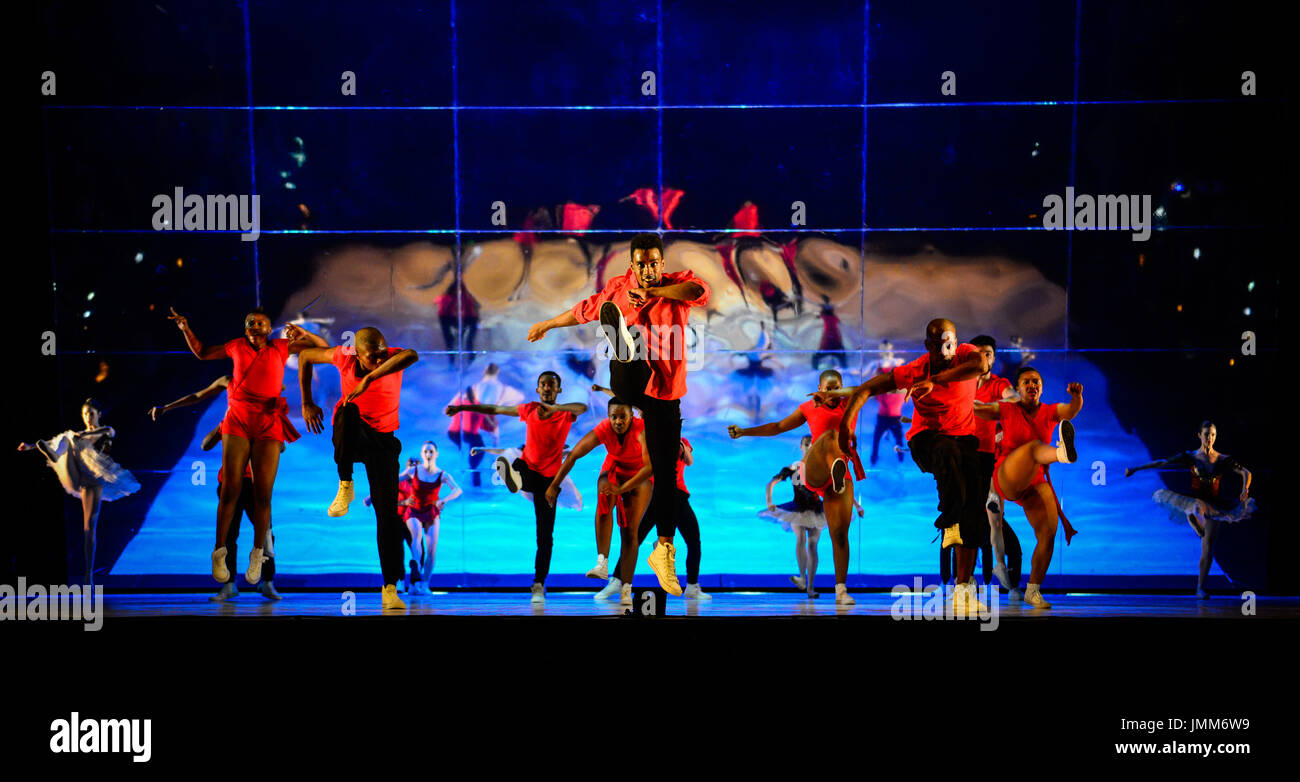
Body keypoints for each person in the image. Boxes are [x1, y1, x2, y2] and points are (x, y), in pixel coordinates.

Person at [528, 232, 710, 596]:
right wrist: (547, 324)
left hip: (666, 393)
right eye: (640, 264)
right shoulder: (616, 289)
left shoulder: (678, 284)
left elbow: (696, 293)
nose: (646, 270)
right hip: (630, 381)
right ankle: (622, 345)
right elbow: (581, 312)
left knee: (665, 476)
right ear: (632, 265)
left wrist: (654, 293)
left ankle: (664, 552)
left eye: (653, 263)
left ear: (662, 263)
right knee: (626, 362)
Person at [827, 319, 988, 615]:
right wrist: (846, 425)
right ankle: (949, 520)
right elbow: (865, 390)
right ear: (927, 346)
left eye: (949, 343)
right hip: (927, 441)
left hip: (965, 440)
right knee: (948, 455)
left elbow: (978, 366)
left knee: (975, 513)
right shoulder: (914, 370)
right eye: (938, 345)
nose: (946, 350)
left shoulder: (966, 355)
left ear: (957, 342)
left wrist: (936, 382)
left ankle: (962, 590)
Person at [168, 307, 322, 587]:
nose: (254, 325)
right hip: (238, 419)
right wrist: (185, 330)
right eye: (250, 321)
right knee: (229, 488)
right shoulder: (236, 346)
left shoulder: (280, 347)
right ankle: (219, 552)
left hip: (267, 421)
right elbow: (202, 353)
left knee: (264, 494)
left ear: (268, 328)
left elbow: (321, 347)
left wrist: (305, 332)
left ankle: (258, 554)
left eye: (261, 322)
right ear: (246, 327)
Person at [297, 326, 420, 611]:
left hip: (383, 443)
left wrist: (371, 378)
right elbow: (305, 356)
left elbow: (412, 354)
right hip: (352, 436)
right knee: (348, 411)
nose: (378, 360)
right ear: (357, 352)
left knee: (388, 516)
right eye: (372, 357)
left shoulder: (394, 357)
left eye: (381, 354)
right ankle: (346, 485)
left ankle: (390, 588)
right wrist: (306, 402)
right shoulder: (344, 356)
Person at [445, 371, 587, 603]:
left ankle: (539, 584)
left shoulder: (564, 414)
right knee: (515, 457)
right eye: (543, 384)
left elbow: (581, 408)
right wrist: (462, 410)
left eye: (552, 385)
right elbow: (495, 410)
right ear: (537, 389)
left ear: (558, 390)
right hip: (527, 469)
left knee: (545, 536)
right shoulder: (529, 409)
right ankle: (513, 477)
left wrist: (554, 409)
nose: (547, 388)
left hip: (549, 483)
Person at [729, 369, 865, 606]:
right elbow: (778, 426)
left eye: (838, 387)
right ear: (819, 388)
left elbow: (863, 391)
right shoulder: (809, 407)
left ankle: (841, 590)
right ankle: (835, 466)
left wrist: (838, 394)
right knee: (831, 435)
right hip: (814, 470)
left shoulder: (849, 403)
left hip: (839, 480)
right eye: (828, 388)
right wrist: (744, 431)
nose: (834, 392)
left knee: (840, 534)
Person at [150, 375, 286, 600]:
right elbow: (205, 444)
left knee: (266, 534)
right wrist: (224, 424)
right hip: (229, 483)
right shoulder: (230, 418)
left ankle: (267, 582)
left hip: (255, 485)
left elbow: (280, 447)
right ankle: (229, 584)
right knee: (228, 535)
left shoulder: (264, 419)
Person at [974, 368, 1082, 608]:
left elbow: (1070, 411)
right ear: (1018, 389)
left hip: (1034, 480)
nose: (1032, 385)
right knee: (1034, 448)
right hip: (1006, 477)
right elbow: (979, 409)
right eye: (1026, 382)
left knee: (1048, 532)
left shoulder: (1049, 411)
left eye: (1036, 382)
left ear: (1041, 388)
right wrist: (955, 398)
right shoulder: (1007, 409)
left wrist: (1076, 397)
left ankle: (1033, 590)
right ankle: (1060, 454)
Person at [18, 398, 139, 586]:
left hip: (94, 481)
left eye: (91, 414)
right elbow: (53, 439)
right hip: (75, 476)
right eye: (84, 414)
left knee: (89, 528)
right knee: (65, 438)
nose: (87, 418)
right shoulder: (77, 434)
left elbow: (107, 432)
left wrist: (82, 436)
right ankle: (55, 454)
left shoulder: (105, 430)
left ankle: (88, 574)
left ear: (98, 414)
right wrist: (31, 446)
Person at [1125, 421, 1254, 598]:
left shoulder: (1223, 459)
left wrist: (1245, 489)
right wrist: (1136, 468)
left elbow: (1246, 472)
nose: (1210, 438)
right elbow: (1164, 463)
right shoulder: (1191, 456)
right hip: (1195, 498)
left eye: (1213, 435)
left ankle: (1200, 588)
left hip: (1216, 504)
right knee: (1197, 506)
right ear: (1199, 436)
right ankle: (1194, 520)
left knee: (1208, 548)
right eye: (1207, 434)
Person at [546, 398, 653, 607]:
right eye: (614, 416)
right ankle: (602, 562)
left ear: (632, 417)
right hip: (614, 468)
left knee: (630, 533)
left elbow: (649, 467)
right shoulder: (605, 428)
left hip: (639, 474)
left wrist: (622, 489)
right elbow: (573, 455)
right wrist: (554, 485)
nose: (618, 421)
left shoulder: (641, 430)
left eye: (623, 417)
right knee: (604, 492)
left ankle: (626, 588)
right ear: (608, 417)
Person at [758, 434, 862, 599]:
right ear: (801, 446)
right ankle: (802, 578)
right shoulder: (794, 467)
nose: (809, 447)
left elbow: (839, 484)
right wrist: (769, 501)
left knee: (813, 545)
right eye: (806, 444)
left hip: (816, 510)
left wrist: (856, 506)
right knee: (800, 539)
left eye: (812, 445)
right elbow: (771, 483)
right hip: (797, 509)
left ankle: (811, 587)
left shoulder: (821, 467)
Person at [398, 441, 461, 596]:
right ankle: (416, 566)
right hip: (414, 510)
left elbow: (458, 489)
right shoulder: (413, 470)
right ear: (422, 453)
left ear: (436, 454)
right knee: (416, 536)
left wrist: (444, 500)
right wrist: (371, 496)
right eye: (425, 451)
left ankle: (424, 584)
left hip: (431, 512)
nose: (428, 454)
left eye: (431, 451)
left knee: (432, 550)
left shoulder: (442, 474)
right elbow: (391, 481)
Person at [866, 340, 906, 466]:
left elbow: (903, 383)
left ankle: (900, 460)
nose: (886, 351)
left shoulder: (898, 364)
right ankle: (874, 459)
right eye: (883, 349)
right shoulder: (877, 366)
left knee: (898, 438)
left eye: (887, 348)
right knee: (877, 439)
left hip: (895, 413)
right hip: (884, 412)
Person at [446, 386, 488, 486]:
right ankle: (472, 472)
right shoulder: (468, 405)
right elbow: (469, 426)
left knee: (476, 449)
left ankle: (472, 470)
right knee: (475, 449)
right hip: (461, 434)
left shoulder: (463, 403)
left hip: (460, 434)